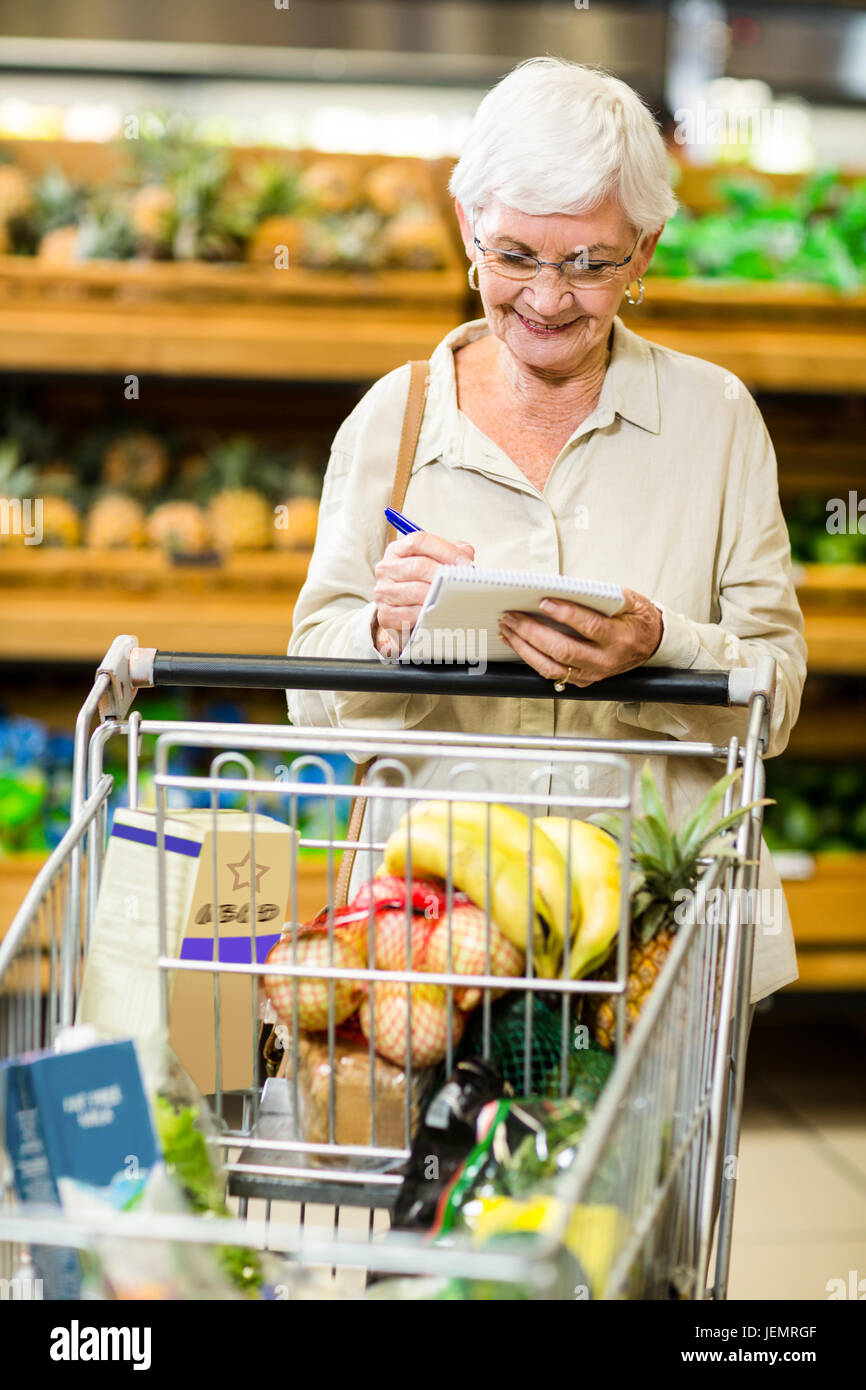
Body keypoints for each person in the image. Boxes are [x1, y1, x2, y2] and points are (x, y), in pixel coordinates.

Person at [287, 57, 807, 1002]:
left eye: (590, 264)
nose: (548, 298)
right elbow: (307, 691)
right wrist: (384, 632)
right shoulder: (394, 418)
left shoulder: (716, 418)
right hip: (433, 943)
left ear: (644, 250)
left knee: (642, 1153)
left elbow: (778, 694)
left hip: (659, 942)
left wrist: (661, 647)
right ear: (466, 229)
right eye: (515, 256)